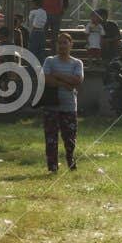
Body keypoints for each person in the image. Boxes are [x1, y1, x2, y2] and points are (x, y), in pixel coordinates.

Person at [41, 31, 83, 173]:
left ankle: (71, 161)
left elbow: (77, 80)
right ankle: (52, 166)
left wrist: (57, 75)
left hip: (69, 106)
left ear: (71, 44)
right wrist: (65, 84)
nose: (62, 46)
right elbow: (46, 79)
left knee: (70, 137)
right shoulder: (50, 60)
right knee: (51, 138)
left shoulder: (77, 63)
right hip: (51, 105)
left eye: (65, 42)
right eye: (60, 43)